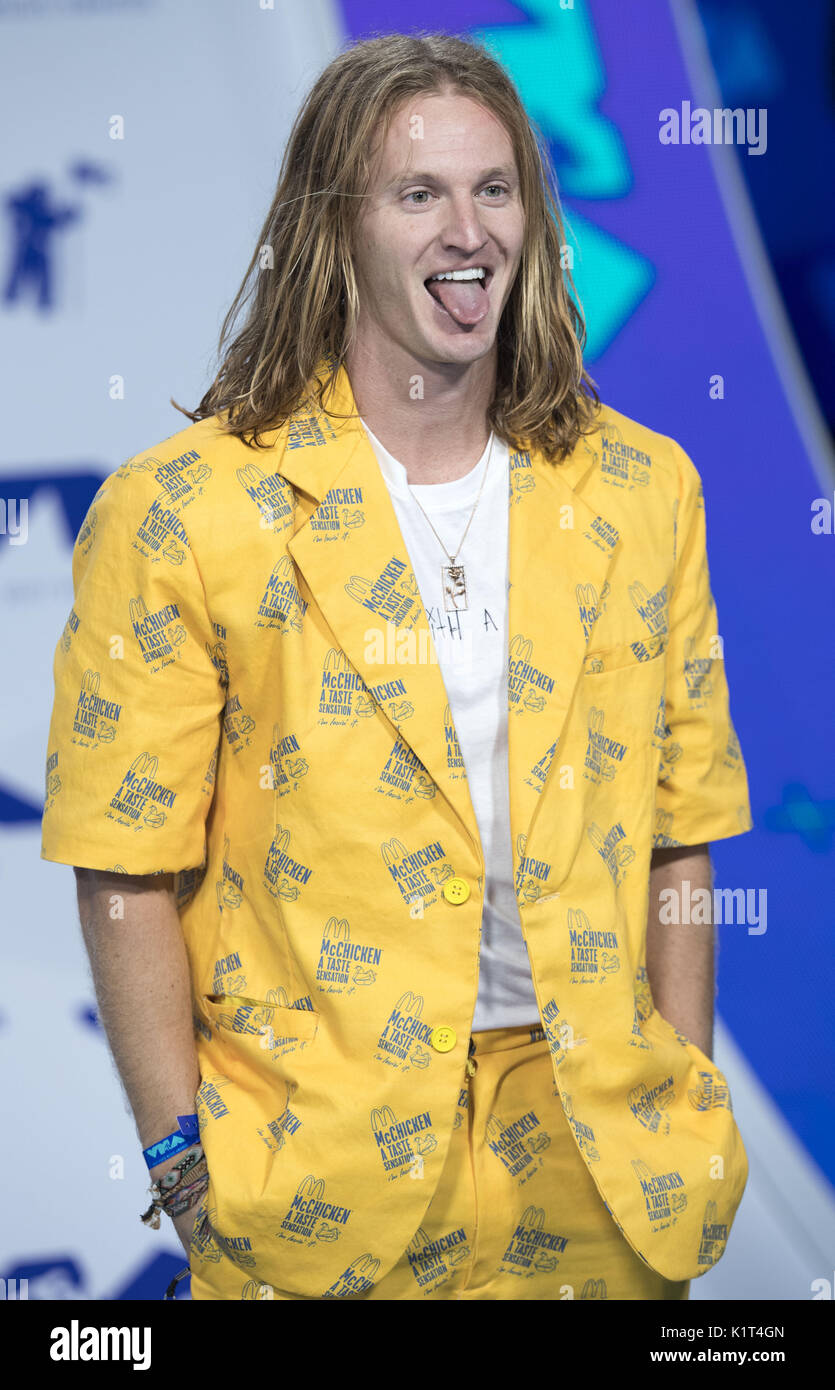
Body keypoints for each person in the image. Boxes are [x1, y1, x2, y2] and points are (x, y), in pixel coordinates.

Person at [41, 32, 753, 1302]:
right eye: (418, 193)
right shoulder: (187, 508)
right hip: (315, 1185)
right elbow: (121, 860)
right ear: (336, 227)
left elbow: (680, 829)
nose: (465, 230)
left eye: (494, 188)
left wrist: (681, 1097)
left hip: (599, 1181)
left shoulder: (645, 488)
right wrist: (182, 1165)